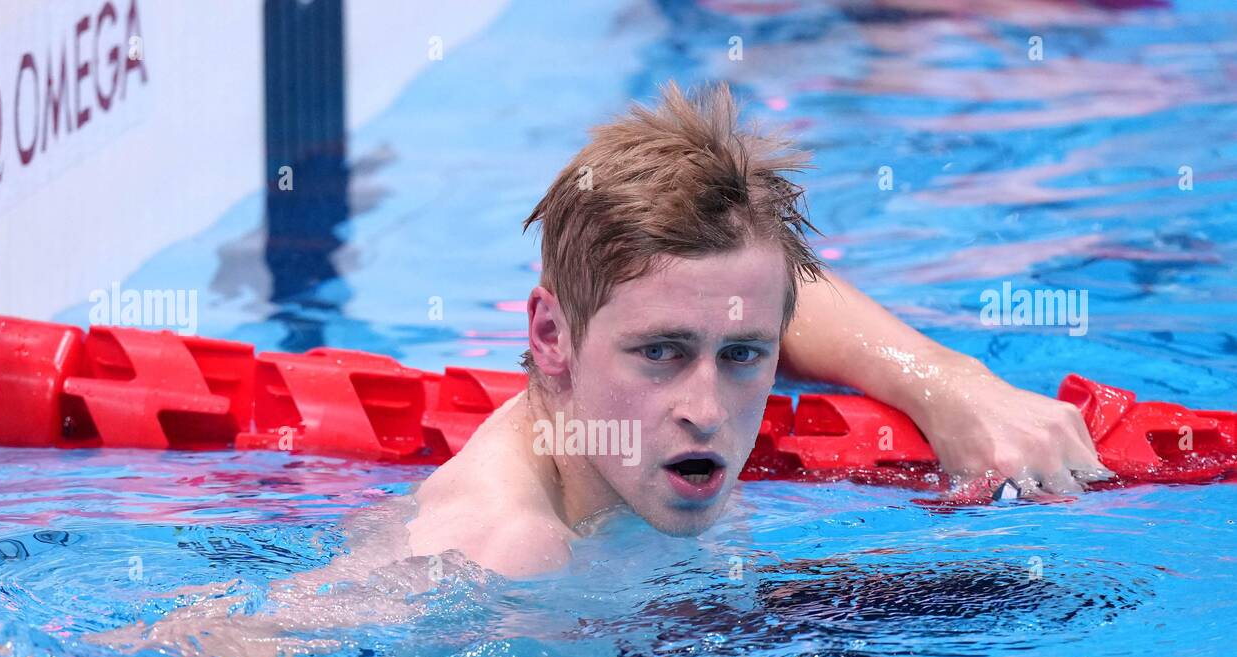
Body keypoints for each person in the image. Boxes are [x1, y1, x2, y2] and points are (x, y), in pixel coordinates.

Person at [406, 80, 1112, 579]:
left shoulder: (648, 430)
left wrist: (952, 387)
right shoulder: (509, 552)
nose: (708, 411)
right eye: (660, 352)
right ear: (552, 336)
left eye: (743, 354)